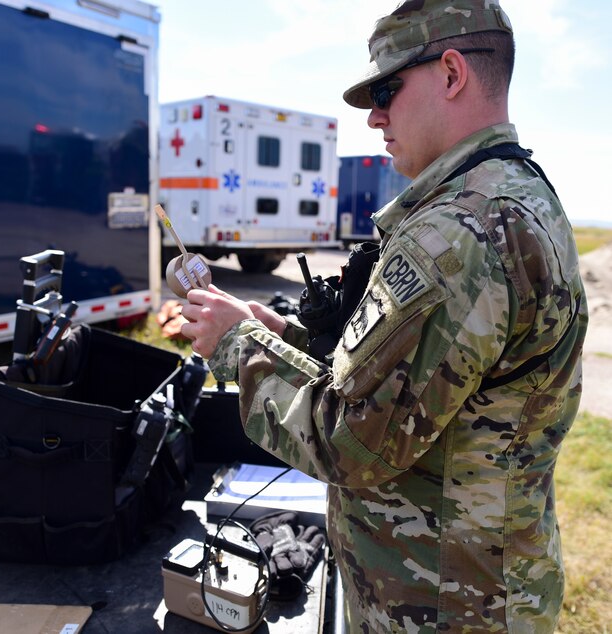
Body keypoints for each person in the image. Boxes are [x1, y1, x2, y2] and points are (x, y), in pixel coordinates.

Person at [180, 0, 588, 631]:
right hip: (473, 586)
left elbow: (350, 444)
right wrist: (286, 337)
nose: (374, 117)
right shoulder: (514, 195)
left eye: (386, 91)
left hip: (443, 606)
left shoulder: (459, 234)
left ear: (451, 74)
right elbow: (418, 379)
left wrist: (238, 345)